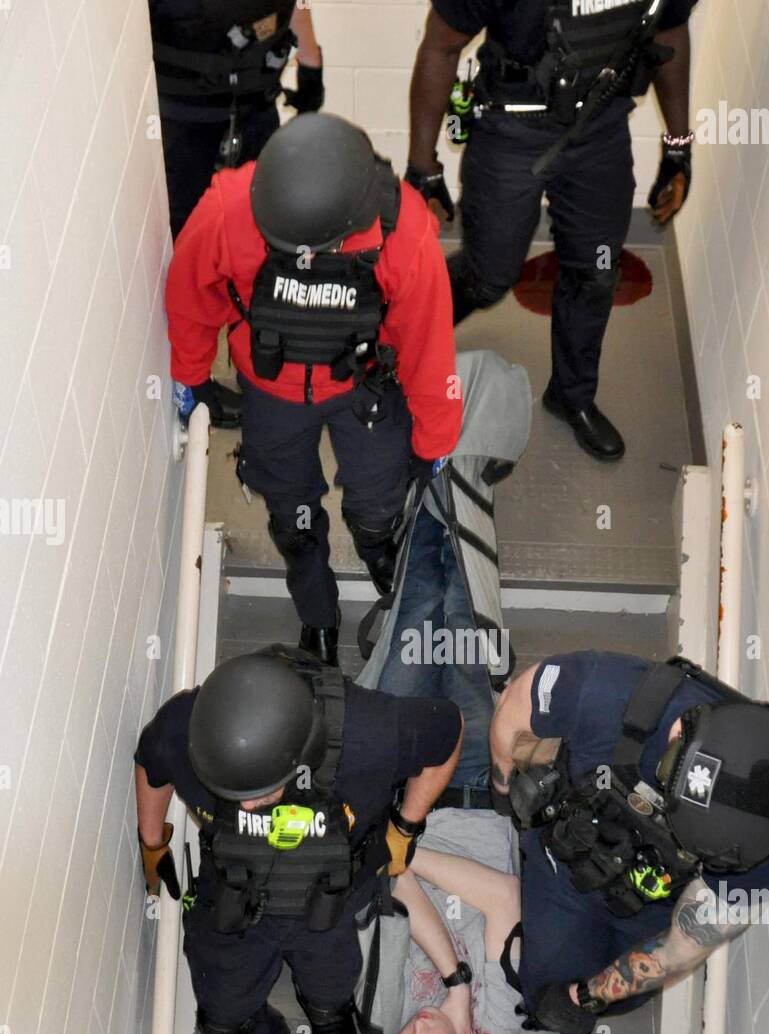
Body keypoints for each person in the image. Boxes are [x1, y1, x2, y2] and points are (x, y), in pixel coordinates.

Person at [166, 112, 461, 664]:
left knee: (379, 501)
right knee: (293, 515)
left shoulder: (403, 231)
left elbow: (427, 346)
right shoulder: (231, 208)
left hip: (364, 386)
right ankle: (317, 616)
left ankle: (384, 563)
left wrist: (434, 444)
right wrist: (192, 377)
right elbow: (190, 292)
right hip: (271, 390)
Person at [134, 644, 463, 1034]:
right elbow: (151, 763)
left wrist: (404, 827)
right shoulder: (184, 725)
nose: (246, 810)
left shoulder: (368, 732)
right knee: (220, 1019)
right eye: (233, 794)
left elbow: (448, 730)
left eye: (256, 795)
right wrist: (151, 841)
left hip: (331, 890)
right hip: (236, 891)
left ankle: (327, 1016)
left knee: (332, 981)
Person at [487, 650, 769, 1034]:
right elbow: (513, 707)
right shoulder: (605, 692)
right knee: (544, 992)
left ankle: (581, 1015)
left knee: (625, 993)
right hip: (569, 860)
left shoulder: (767, 848)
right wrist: (503, 789)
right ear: (680, 733)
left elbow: (680, 948)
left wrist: (586, 998)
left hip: (655, 897)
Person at [407, 0, 699, 461]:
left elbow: (671, 28)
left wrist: (679, 147)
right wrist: (422, 165)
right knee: (488, 278)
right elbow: (442, 45)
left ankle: (572, 395)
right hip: (510, 125)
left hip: (600, 127)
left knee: (597, 271)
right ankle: (406, 340)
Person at [376, 831, 524, 1034]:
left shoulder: (385, 1021)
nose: (419, 1026)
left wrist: (457, 982)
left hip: (411, 814)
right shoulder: (495, 1022)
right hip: (479, 809)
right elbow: (505, 894)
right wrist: (399, 851)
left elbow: (391, 874)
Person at [150, 1, 325, 241]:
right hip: (187, 123)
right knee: (192, 236)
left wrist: (310, 64)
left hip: (255, 110)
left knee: (259, 228)